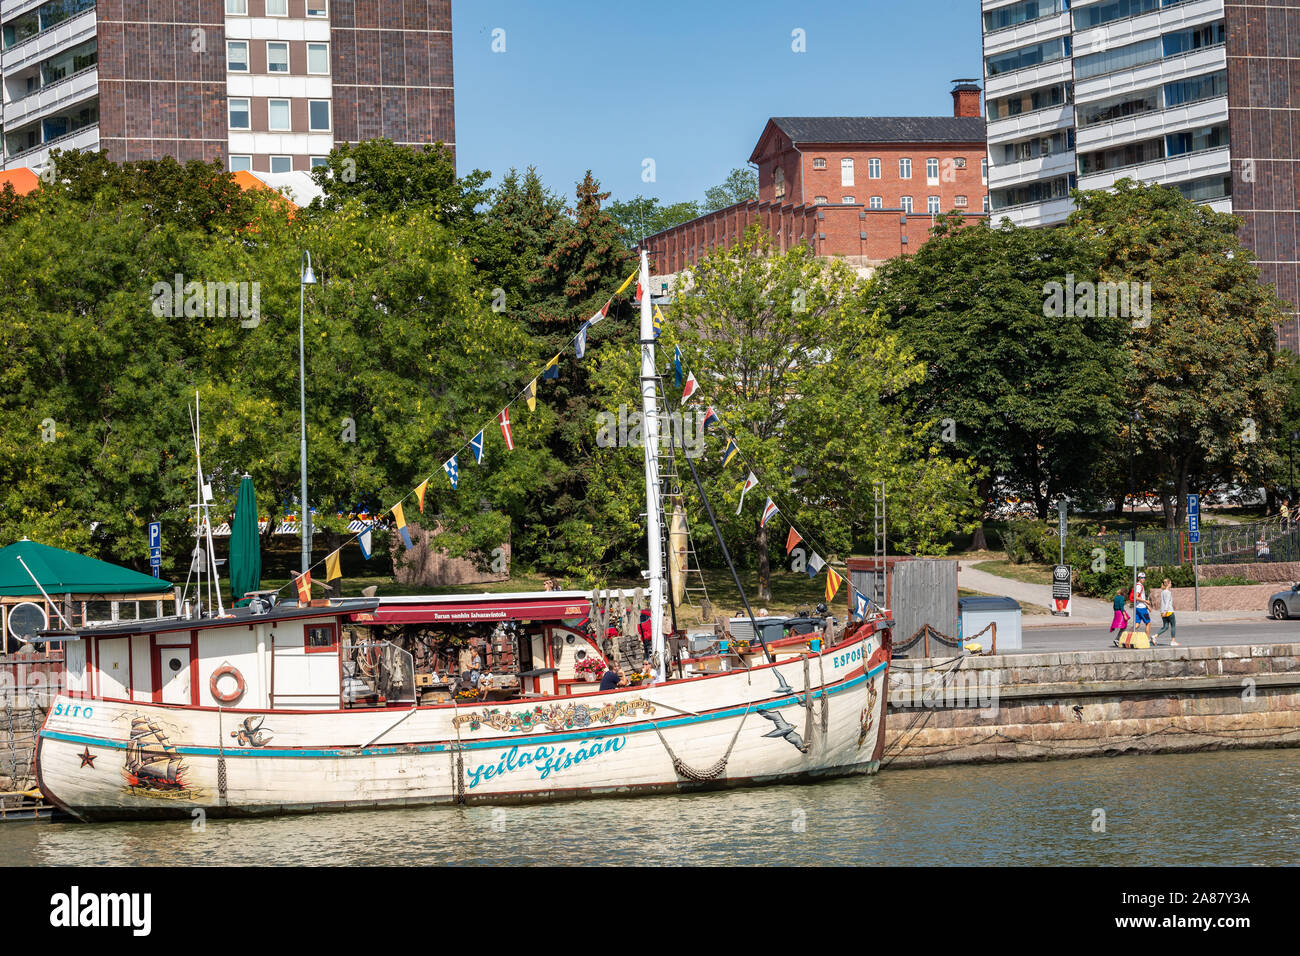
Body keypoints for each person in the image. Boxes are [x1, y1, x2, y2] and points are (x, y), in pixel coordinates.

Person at [1154, 577, 1178, 647]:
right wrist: (1166, 611)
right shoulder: (1168, 592)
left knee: (1165, 626)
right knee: (1173, 625)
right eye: (1170, 583)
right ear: (1168, 584)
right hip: (1169, 611)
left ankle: (1155, 636)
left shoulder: (1162, 592)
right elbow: (1167, 602)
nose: (1171, 584)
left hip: (1162, 611)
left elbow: (1163, 602)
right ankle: (1173, 641)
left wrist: (1163, 611)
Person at [1131, 572, 1152, 646]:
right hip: (1141, 608)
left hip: (1138, 607)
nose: (1143, 579)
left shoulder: (1137, 585)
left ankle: (1129, 636)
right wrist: (1146, 601)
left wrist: (1147, 606)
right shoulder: (1139, 586)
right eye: (1142, 577)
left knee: (1137, 624)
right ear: (1138, 578)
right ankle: (1147, 640)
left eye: (1144, 577)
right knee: (1148, 623)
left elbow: (1140, 597)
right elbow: (1136, 597)